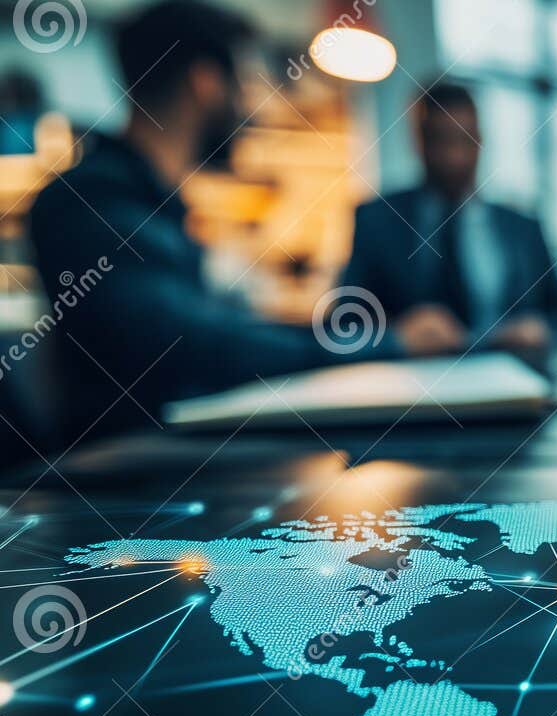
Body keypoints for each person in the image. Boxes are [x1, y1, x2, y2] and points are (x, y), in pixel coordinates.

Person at [26, 0, 451, 444]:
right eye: (247, 82)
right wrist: (386, 346)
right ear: (205, 82)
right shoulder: (91, 202)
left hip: (168, 459)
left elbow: (213, 332)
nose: (253, 105)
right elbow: (195, 344)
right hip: (123, 482)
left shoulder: (149, 204)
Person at [341, 81, 557, 351]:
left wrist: (540, 328)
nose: (455, 157)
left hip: (511, 380)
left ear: (480, 140)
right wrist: (396, 337)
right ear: (419, 142)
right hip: (410, 382)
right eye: (441, 140)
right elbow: (346, 321)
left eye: (466, 140)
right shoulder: (377, 220)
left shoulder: (523, 227)